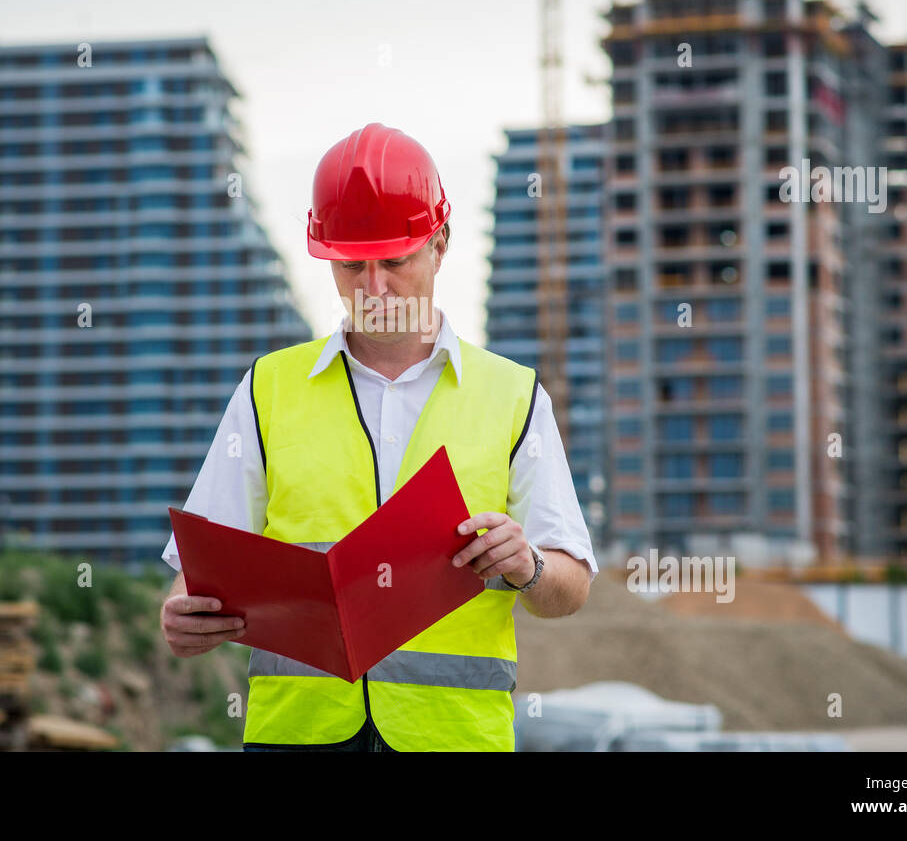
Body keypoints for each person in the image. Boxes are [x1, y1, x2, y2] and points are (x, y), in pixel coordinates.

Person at [159, 122, 597, 751]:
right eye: (352, 265)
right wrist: (182, 619)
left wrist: (526, 566)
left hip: (452, 740)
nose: (374, 288)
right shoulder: (268, 390)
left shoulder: (513, 397)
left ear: (440, 244)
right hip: (298, 737)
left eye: (394, 261)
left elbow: (570, 588)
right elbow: (197, 574)